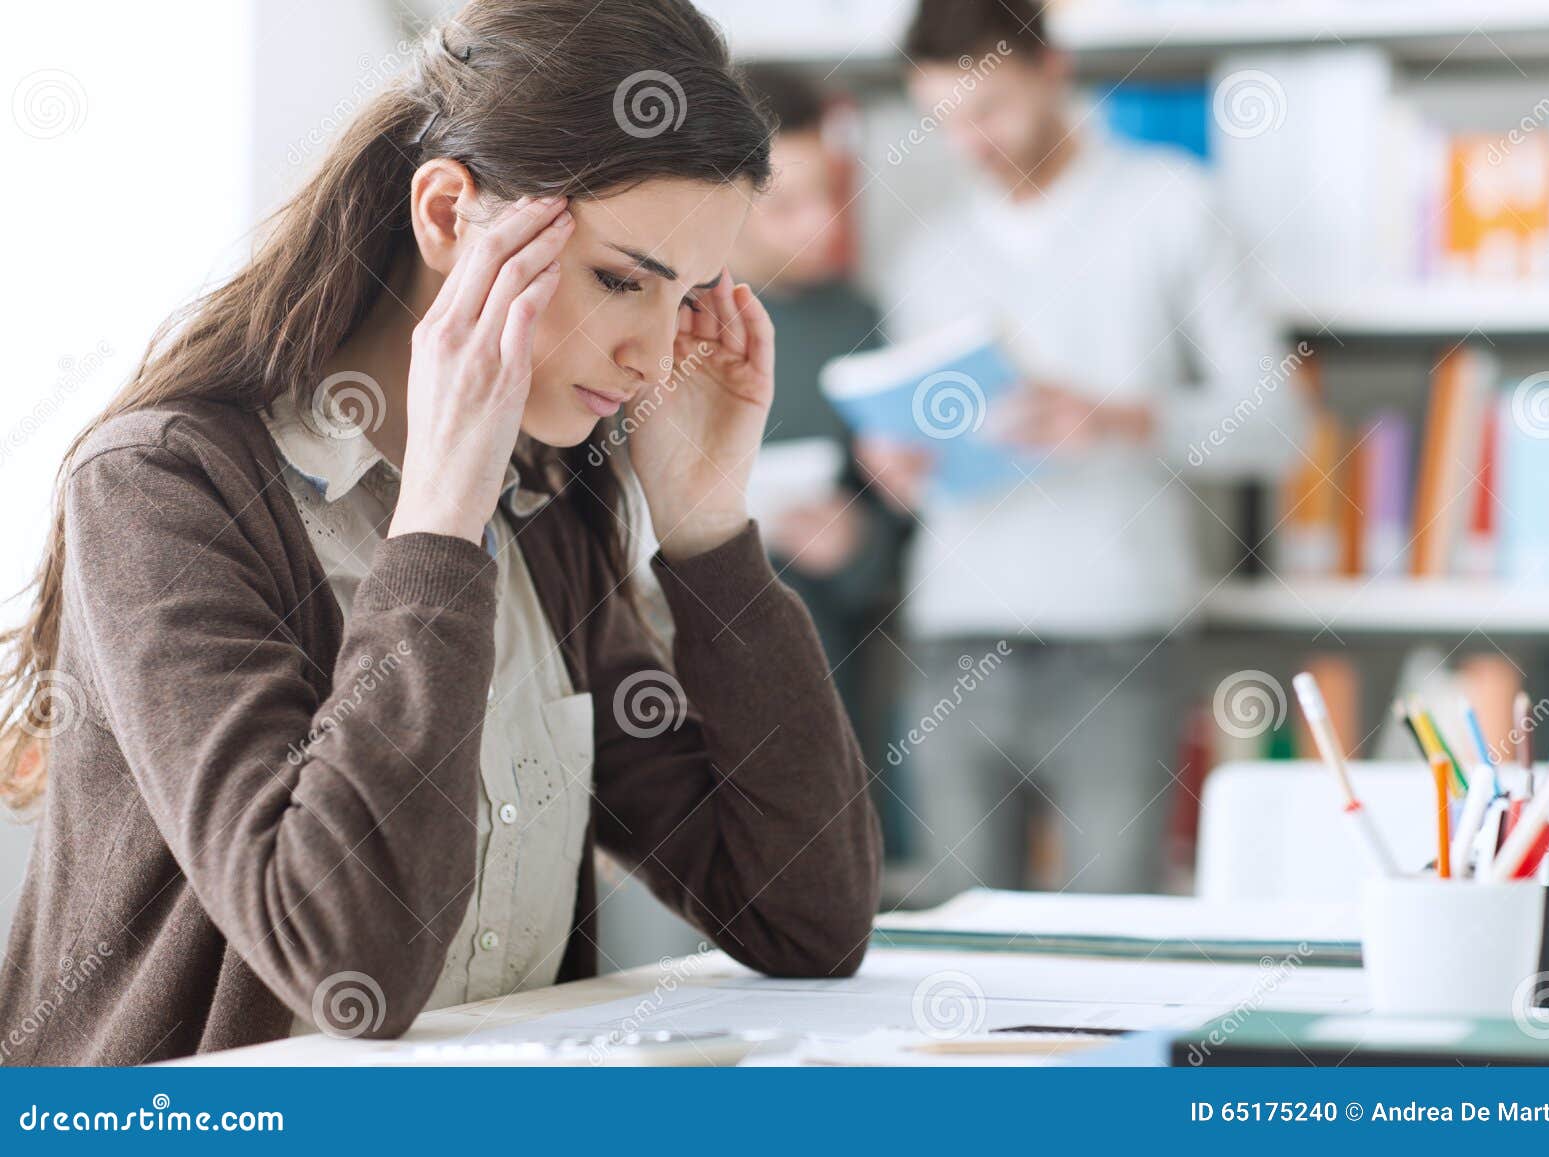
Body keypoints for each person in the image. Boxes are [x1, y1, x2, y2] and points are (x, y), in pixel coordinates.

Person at [0, 0, 881, 1066]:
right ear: (448, 211)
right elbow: (345, 966)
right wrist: (440, 522)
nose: (656, 357)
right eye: (619, 279)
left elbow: (806, 920)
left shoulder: (550, 500)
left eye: (687, 298)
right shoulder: (166, 486)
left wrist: (707, 534)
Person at [867, 0, 1302, 899]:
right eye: (945, 120)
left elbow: (1278, 424)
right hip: (953, 639)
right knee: (955, 950)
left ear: (1053, 70)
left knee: (1113, 954)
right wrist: (898, 467)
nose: (970, 144)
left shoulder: (1174, 204)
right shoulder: (928, 253)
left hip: (1119, 643)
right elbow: (918, 451)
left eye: (991, 112)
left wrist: (1117, 419)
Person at [732, 66, 908, 788]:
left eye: (830, 195)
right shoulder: (646, 319)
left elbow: (900, 521)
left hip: (820, 687)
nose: (823, 224)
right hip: (662, 686)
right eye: (788, 205)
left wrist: (856, 544)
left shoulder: (858, 326)